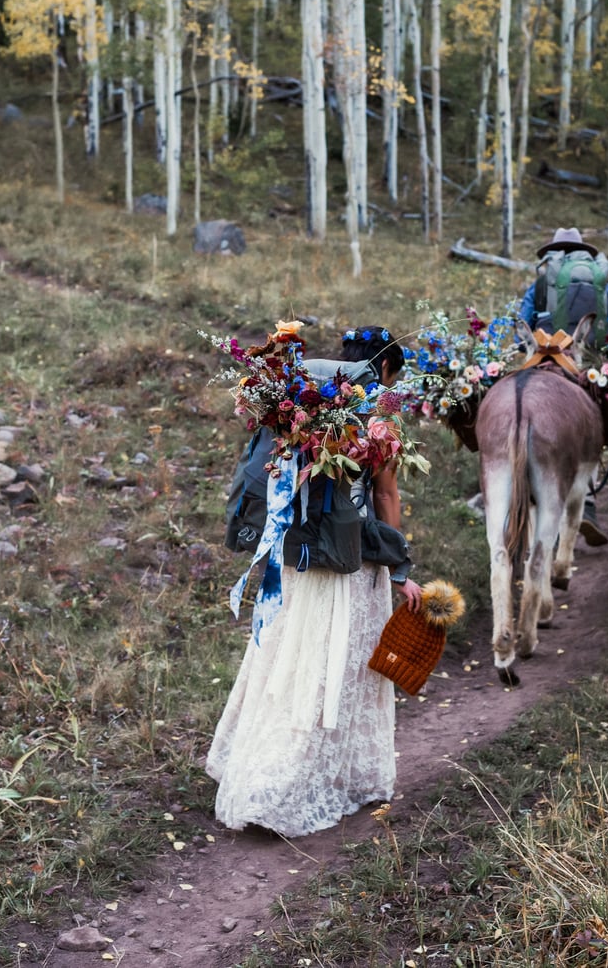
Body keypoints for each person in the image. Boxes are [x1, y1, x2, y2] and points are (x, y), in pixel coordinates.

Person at [206, 326, 422, 838]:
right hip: (351, 563)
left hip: (297, 556)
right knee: (337, 670)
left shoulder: (306, 400)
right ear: (384, 368)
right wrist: (399, 566)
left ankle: (254, 766)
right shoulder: (376, 414)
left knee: (286, 662)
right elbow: (385, 496)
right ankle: (294, 785)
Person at [520, 226, 608, 547]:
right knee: (595, 424)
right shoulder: (601, 280)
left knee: (521, 410)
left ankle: (530, 490)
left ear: (552, 251)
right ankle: (586, 503)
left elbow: (522, 321)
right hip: (585, 363)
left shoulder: (541, 280)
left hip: (544, 358)